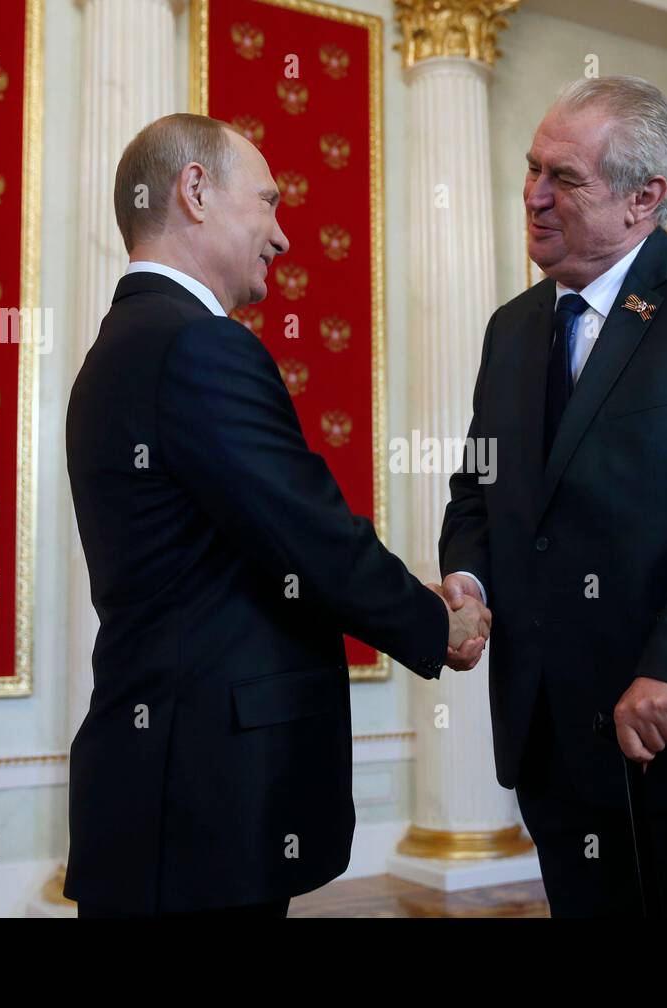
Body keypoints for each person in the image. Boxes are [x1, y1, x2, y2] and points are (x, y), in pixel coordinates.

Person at [64, 113, 490, 917]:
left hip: (163, 786)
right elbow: (308, 533)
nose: (283, 236)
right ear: (193, 191)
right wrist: (436, 625)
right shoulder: (198, 345)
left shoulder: (124, 344)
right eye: (267, 202)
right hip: (202, 794)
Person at [439, 77, 667, 917]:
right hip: (555, 735)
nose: (532, 195)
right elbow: (480, 485)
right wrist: (470, 579)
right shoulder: (513, 326)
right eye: (532, 168)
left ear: (645, 197)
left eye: (563, 178)